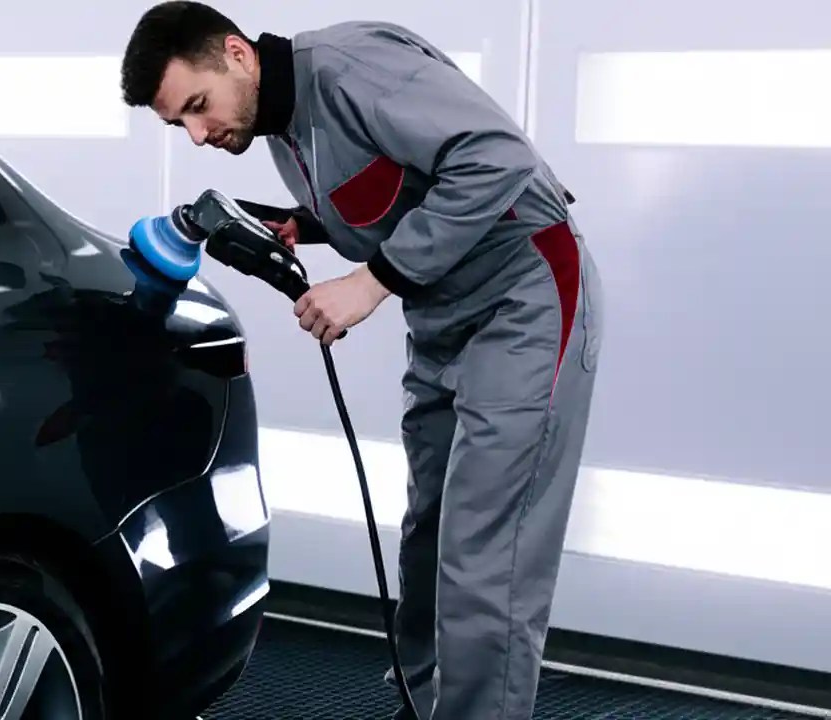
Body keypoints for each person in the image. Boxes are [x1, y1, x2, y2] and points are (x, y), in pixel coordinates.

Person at [120, 3, 603, 720]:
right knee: (430, 531)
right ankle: (425, 700)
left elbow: (496, 157)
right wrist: (305, 226)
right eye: (178, 125)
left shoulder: (353, 69)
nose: (197, 134)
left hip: (523, 293)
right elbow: (396, 186)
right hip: (441, 310)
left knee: (486, 548)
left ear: (237, 54)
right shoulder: (279, 126)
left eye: (197, 106)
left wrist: (372, 281)